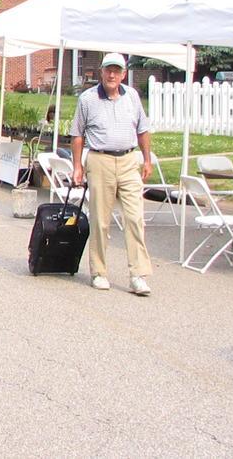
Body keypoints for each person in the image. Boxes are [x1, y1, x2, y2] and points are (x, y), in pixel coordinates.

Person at [69, 52, 154, 296]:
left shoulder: (132, 97)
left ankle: (138, 274)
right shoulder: (88, 99)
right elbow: (77, 134)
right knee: (100, 220)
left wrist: (146, 159)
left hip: (128, 160)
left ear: (123, 74)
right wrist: (78, 166)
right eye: (108, 70)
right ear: (101, 72)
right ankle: (99, 271)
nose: (112, 75)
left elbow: (143, 129)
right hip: (100, 159)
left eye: (117, 70)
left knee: (135, 218)